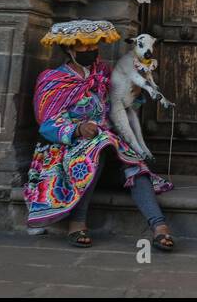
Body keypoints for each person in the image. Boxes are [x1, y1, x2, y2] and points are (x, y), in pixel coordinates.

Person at [23, 19, 176, 251]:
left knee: (133, 159)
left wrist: (134, 93)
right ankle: (77, 223)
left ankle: (159, 226)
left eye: (93, 46)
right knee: (101, 143)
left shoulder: (103, 73)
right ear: (69, 49)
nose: (90, 51)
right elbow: (46, 124)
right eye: (83, 47)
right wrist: (77, 129)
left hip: (107, 143)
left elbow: (118, 103)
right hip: (66, 150)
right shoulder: (53, 80)